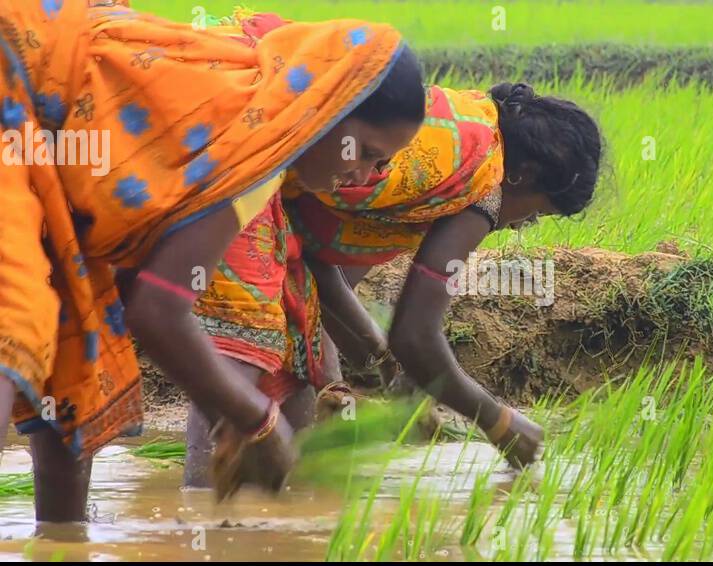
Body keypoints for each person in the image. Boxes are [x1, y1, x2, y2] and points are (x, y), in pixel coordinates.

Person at [0, 0, 425, 520]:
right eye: (364, 151)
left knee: (71, 370)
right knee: (12, 325)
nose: (363, 176)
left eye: (380, 165)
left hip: (40, 133)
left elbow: (140, 289)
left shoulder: (256, 135)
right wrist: (256, 420)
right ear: (329, 104)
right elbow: (158, 312)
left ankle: (60, 547)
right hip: (15, 79)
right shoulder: (247, 146)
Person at [188, 73, 603, 478]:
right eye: (535, 213)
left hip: (249, 143)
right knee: (243, 354)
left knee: (293, 410)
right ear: (524, 174)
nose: (520, 226)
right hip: (247, 162)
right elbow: (416, 335)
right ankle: (203, 524)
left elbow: (323, 280)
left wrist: (383, 368)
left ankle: (252, 531)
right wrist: (499, 423)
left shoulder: (444, 160)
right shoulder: (484, 183)